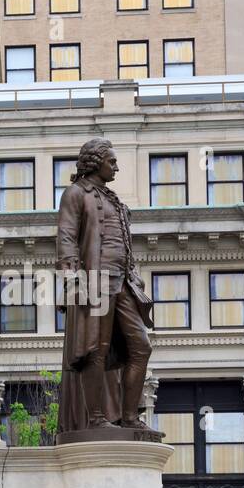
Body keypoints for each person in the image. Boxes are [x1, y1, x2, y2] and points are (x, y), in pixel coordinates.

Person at [56, 138, 153, 431]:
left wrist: (134, 276)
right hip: (94, 281)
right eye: (112, 161)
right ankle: (97, 418)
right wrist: (73, 280)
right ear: (95, 161)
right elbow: (66, 238)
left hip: (122, 283)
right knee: (95, 349)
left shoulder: (114, 200)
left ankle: (130, 417)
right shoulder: (76, 193)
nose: (117, 167)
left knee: (141, 347)